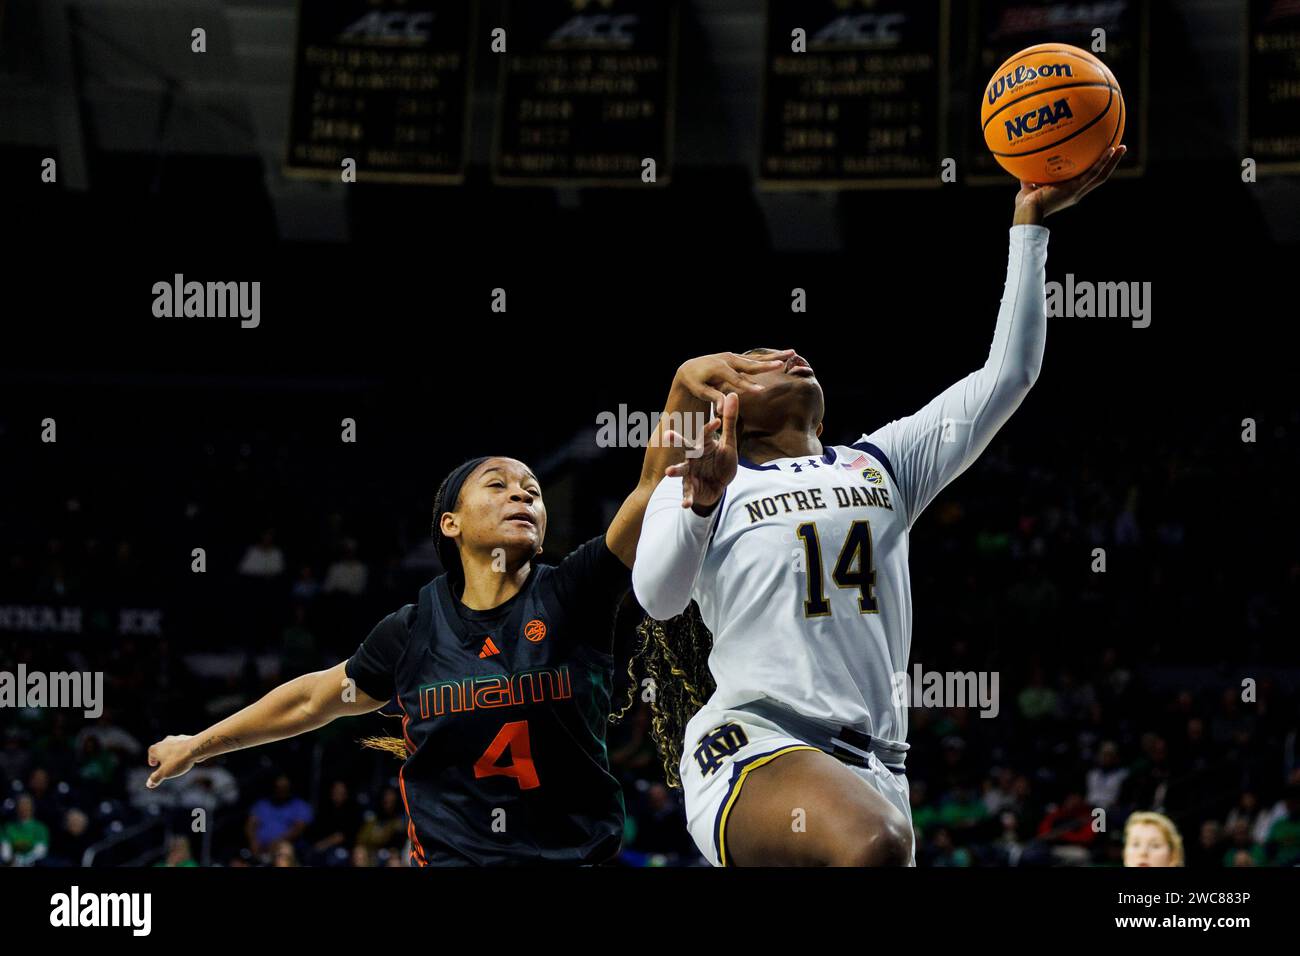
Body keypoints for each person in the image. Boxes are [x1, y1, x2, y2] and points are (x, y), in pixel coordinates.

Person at [629, 146, 1126, 866]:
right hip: (755, 744)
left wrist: (1029, 222)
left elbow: (1008, 373)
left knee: (878, 837)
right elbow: (657, 596)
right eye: (759, 359)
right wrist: (699, 502)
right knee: (873, 844)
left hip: (877, 769)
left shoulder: (883, 461)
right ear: (730, 407)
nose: (788, 352)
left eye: (787, 350)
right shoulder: (711, 480)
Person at [145, 352, 790, 865]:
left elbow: (652, 485)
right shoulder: (411, 631)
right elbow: (313, 700)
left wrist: (681, 391)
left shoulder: (575, 591)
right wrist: (199, 744)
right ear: (450, 523)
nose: (523, 496)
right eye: (500, 485)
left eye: (532, 492)